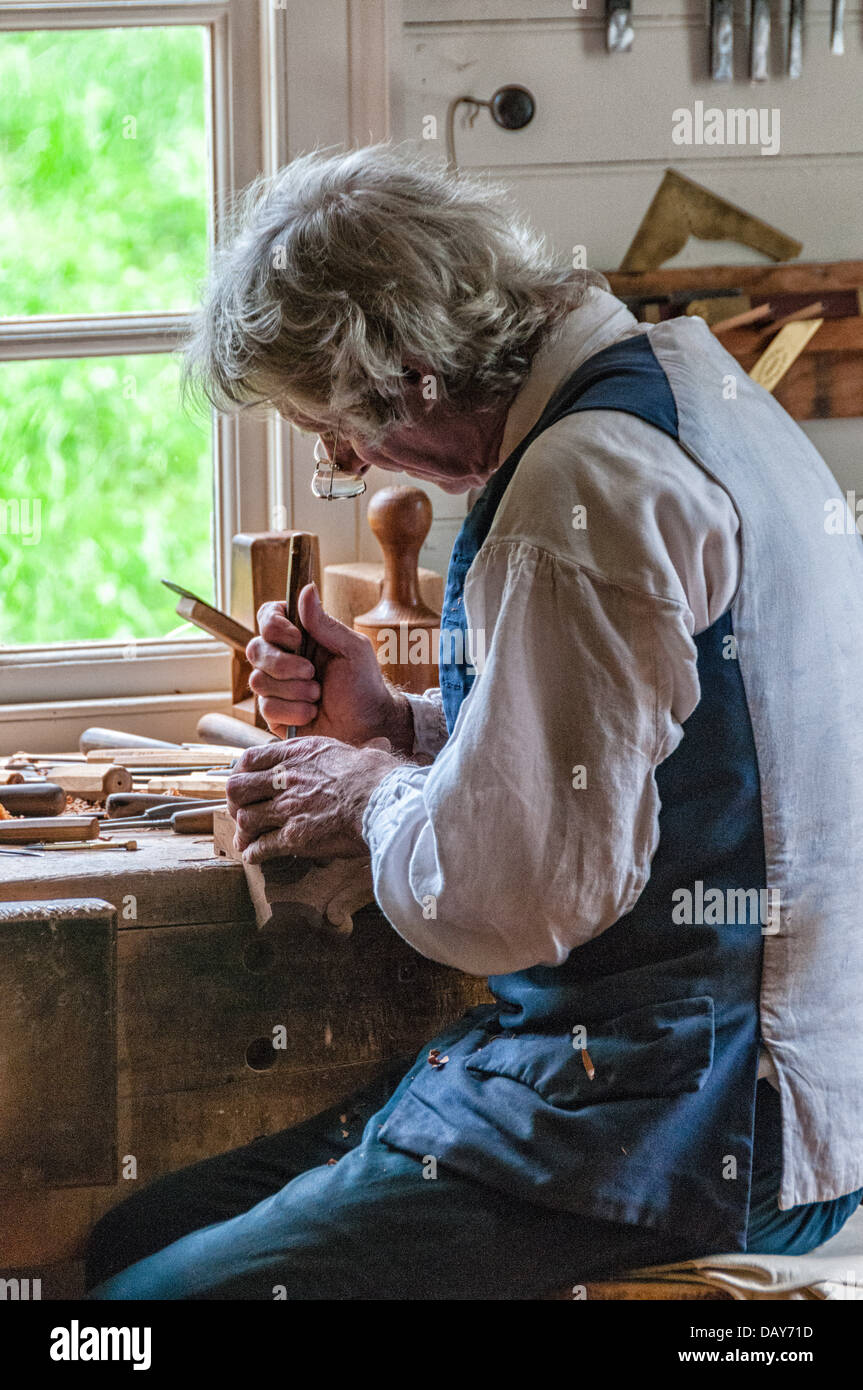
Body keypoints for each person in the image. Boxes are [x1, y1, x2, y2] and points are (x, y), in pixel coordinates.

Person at [86, 146, 863, 1300]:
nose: (343, 463)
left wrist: (360, 791)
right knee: (140, 1231)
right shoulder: (679, 387)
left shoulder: (580, 485)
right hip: (675, 1076)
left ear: (410, 377)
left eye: (336, 434)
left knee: (135, 1313)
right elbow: (633, 749)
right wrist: (397, 727)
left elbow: (512, 894)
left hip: (701, 1121)